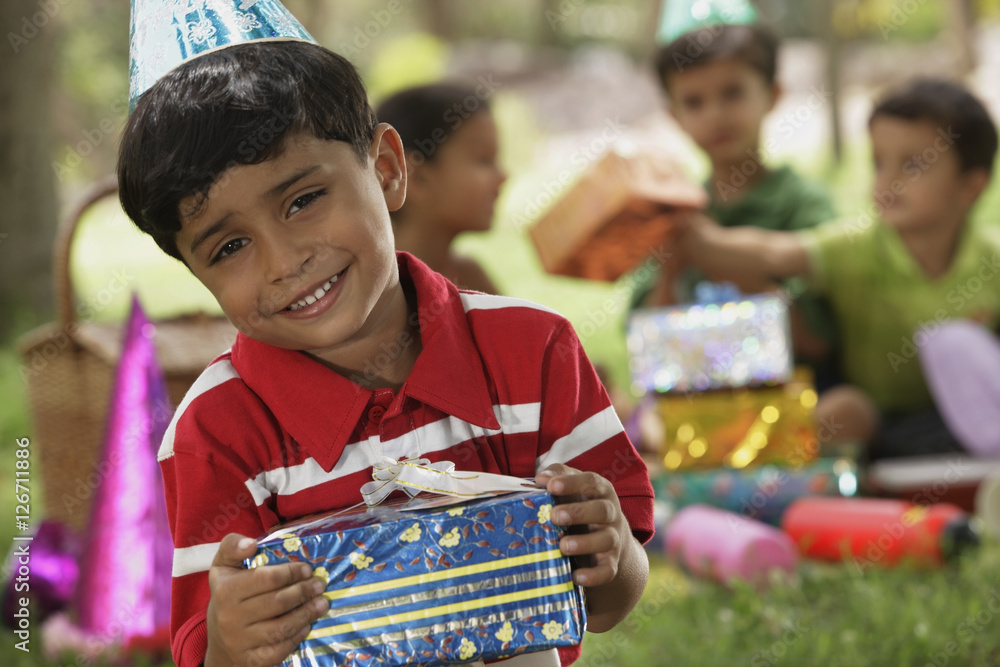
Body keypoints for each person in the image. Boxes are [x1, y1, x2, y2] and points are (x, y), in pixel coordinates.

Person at [117, 38, 653, 667]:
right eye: (230, 247)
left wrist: (612, 551)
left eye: (302, 200)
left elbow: (611, 599)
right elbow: (207, 654)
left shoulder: (535, 353)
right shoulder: (215, 433)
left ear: (389, 168)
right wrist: (234, 645)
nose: (285, 262)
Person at [677, 77, 1000, 459]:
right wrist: (695, 235)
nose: (888, 180)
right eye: (879, 163)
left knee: (958, 343)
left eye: (912, 165)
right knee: (847, 409)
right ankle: (726, 461)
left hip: (976, 422)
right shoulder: (857, 247)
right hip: (879, 427)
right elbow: (773, 254)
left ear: (970, 186)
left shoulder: (990, 259)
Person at [634, 22, 839, 381]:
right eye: (693, 102)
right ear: (673, 116)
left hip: (798, 407)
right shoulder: (668, 217)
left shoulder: (804, 205)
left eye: (732, 93)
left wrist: (717, 254)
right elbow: (645, 351)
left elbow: (822, 341)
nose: (715, 114)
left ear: (773, 94)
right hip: (691, 411)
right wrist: (671, 267)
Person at [375, 83, 505, 294]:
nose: (503, 177)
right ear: (416, 177)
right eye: (483, 159)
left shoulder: (470, 276)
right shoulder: (381, 292)